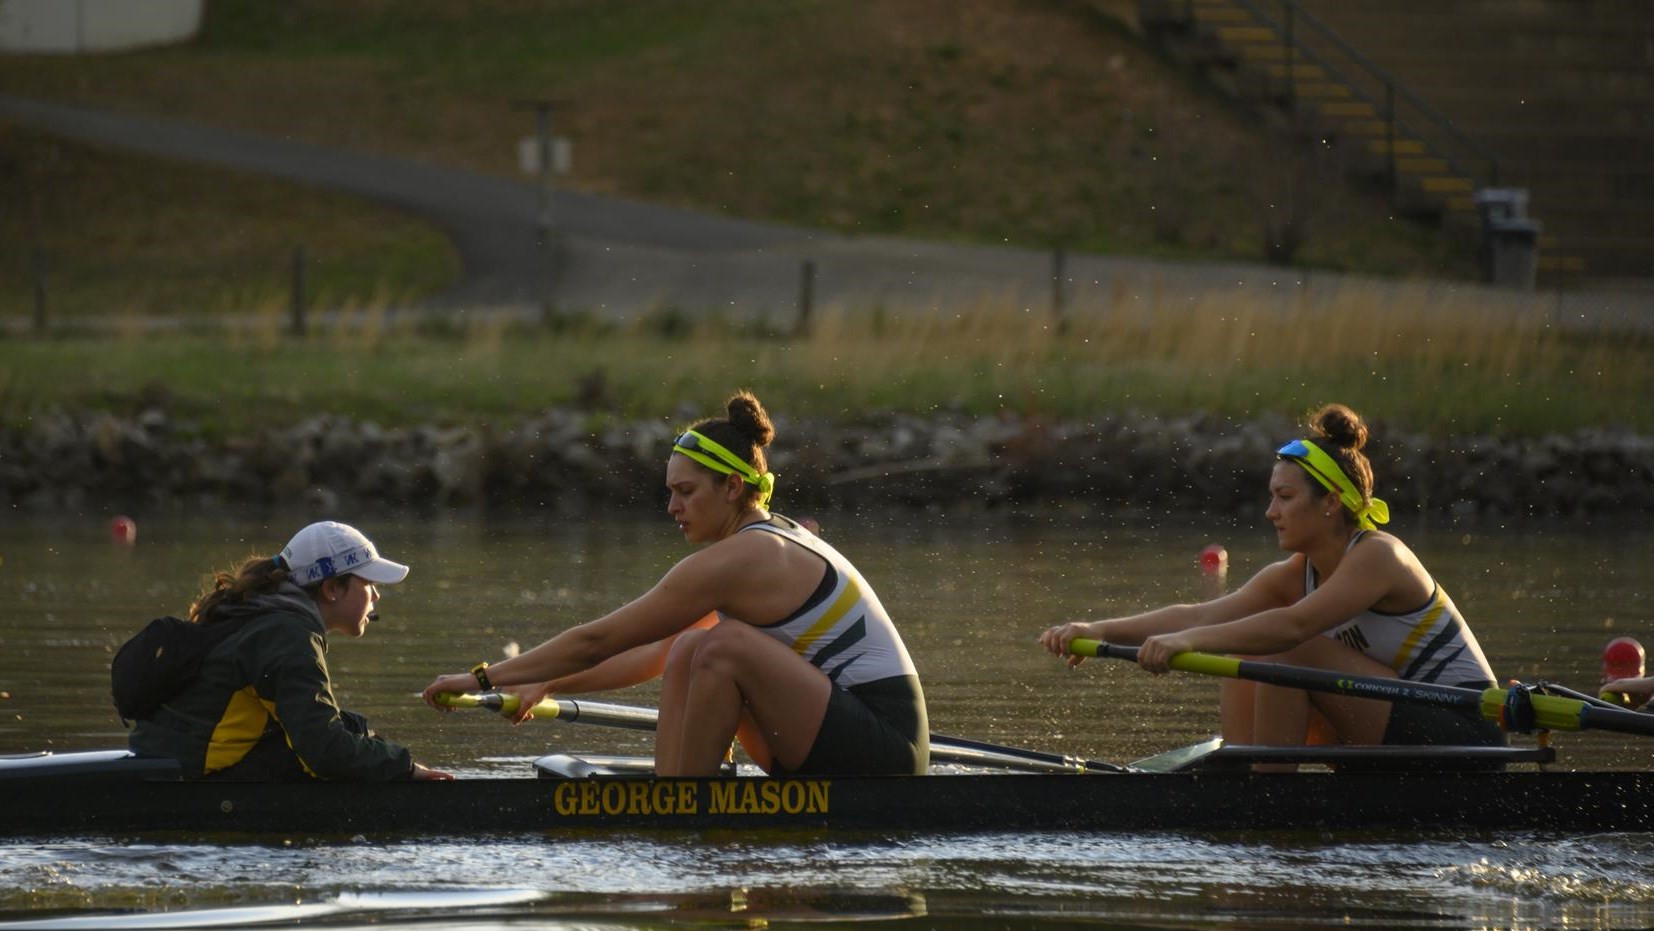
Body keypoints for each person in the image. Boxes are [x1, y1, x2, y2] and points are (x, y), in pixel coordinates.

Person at [421, 391, 929, 777]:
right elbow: (655, 654)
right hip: (833, 730)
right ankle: (677, 800)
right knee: (689, 646)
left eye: (685, 492)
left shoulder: (751, 555)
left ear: (732, 488)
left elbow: (597, 640)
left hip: (886, 747)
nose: (672, 508)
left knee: (721, 646)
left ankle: (686, 811)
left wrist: (484, 679)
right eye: (670, 492)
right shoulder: (764, 541)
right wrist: (547, 681)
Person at [1039, 403, 1504, 759]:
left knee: (1282, 648)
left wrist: (1185, 643)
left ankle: (1265, 794)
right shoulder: (1292, 575)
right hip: (1396, 726)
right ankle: (1244, 773)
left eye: (1284, 497)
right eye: (1271, 497)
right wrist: (1096, 629)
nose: (1271, 513)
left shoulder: (1381, 555)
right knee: (1252, 647)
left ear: (1330, 503)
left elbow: (1292, 629)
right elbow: (1199, 613)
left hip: (1464, 733)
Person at [130, 521, 452, 782]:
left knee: (350, 727)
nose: (376, 597)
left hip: (167, 756)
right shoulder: (287, 637)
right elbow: (325, 751)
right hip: (197, 780)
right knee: (329, 754)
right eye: (369, 584)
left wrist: (379, 752)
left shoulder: (260, 614)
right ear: (331, 589)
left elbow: (322, 731)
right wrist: (405, 769)